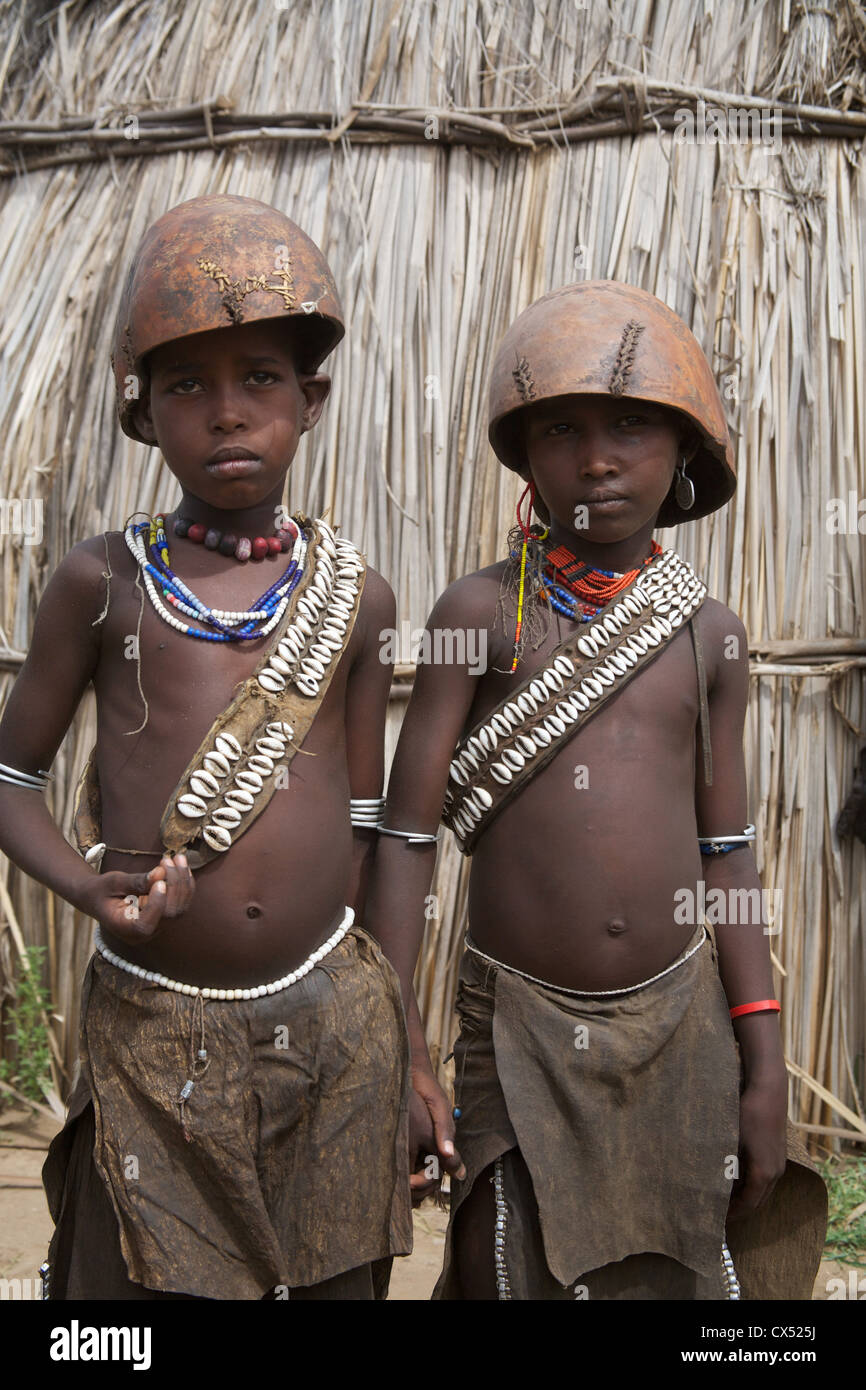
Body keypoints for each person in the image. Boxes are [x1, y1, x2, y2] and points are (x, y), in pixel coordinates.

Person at [366, 280, 827, 1300]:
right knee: (503, 1261)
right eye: (561, 429)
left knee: (670, 1270)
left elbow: (728, 853)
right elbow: (403, 838)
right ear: (524, 455)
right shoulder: (475, 613)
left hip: (679, 1026)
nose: (598, 457)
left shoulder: (708, 635)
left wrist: (762, 1058)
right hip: (513, 1025)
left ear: (685, 453)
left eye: (630, 424)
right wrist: (399, 1049)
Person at [0, 193, 411, 1300]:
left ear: (309, 399)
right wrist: (89, 888)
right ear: (142, 414)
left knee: (333, 1278)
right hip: (150, 1018)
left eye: (260, 380)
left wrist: (405, 1045)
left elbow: (371, 828)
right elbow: (8, 779)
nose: (227, 413)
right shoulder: (102, 582)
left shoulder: (359, 601)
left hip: (335, 1023)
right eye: (187, 385)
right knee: (124, 1295)